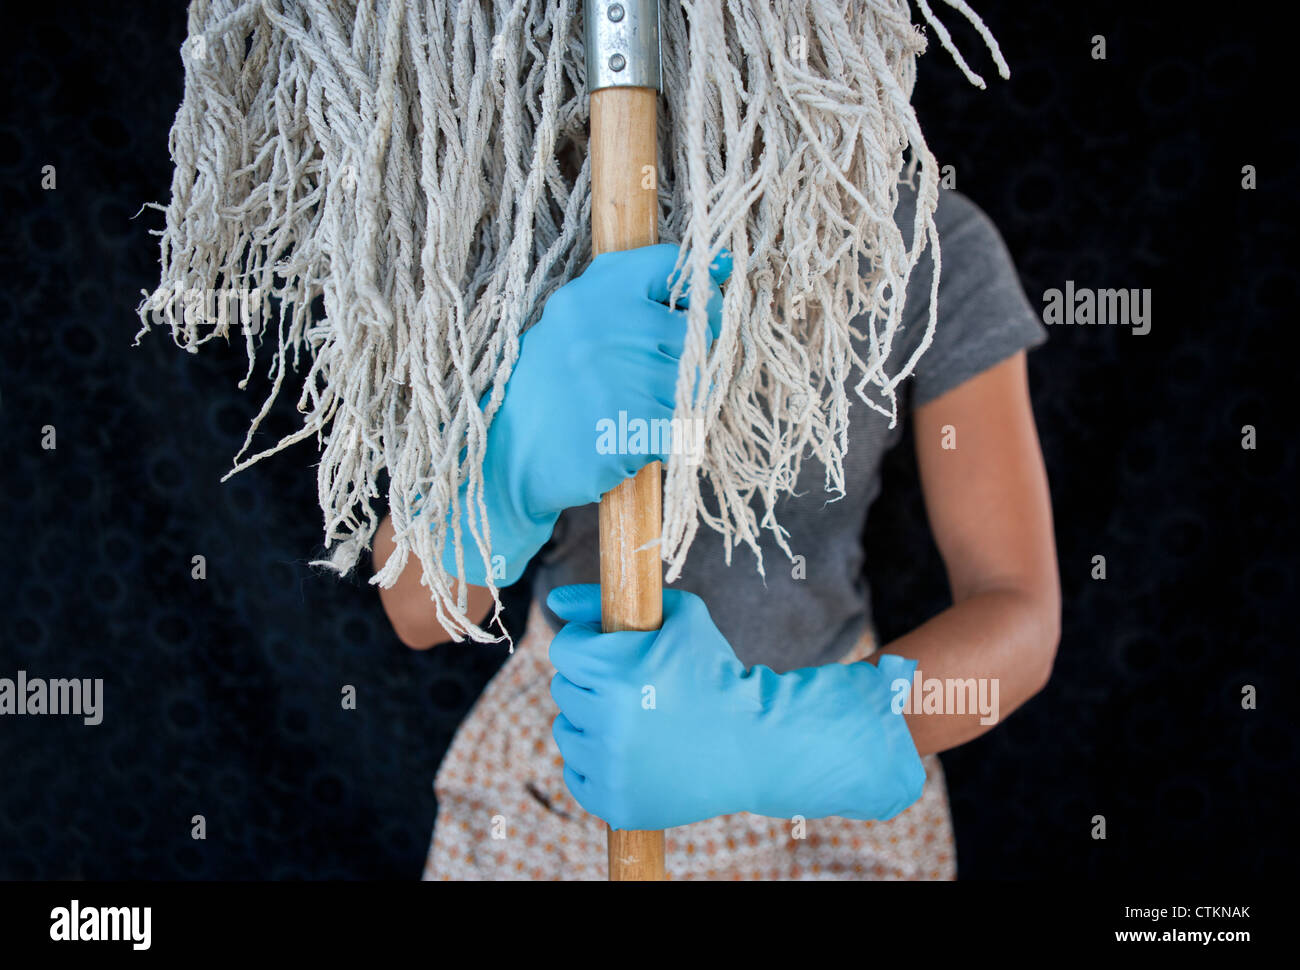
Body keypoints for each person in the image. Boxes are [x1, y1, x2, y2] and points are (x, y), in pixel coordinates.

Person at [373, 179, 1060, 880]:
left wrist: (779, 741)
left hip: (826, 789)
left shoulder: (927, 245)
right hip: (570, 755)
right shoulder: (526, 226)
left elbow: (1019, 614)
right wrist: (507, 462)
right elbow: (419, 613)